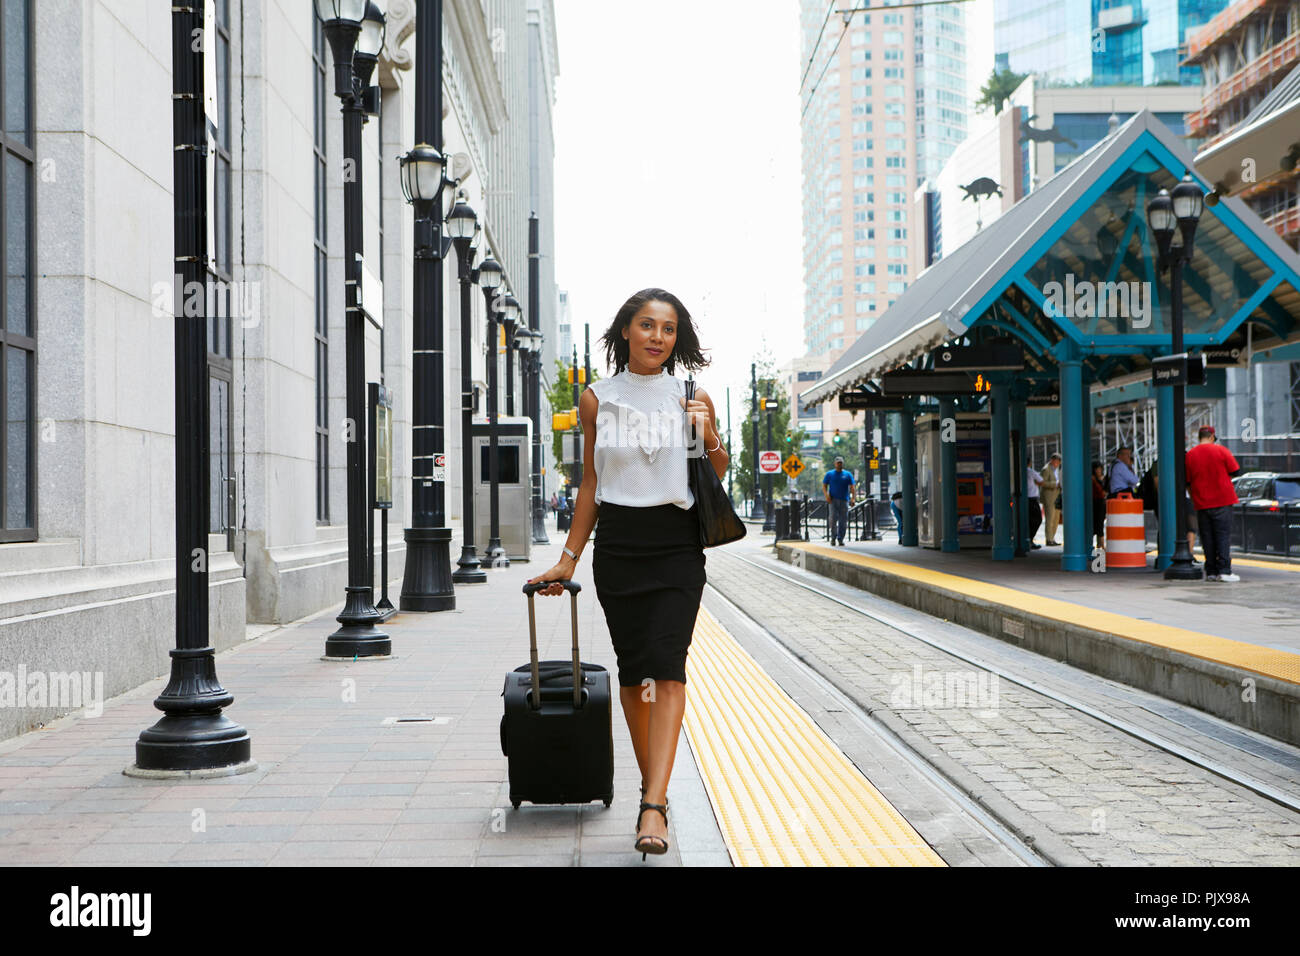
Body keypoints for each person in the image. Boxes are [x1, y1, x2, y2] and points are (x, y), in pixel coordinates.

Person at [526, 288, 726, 860]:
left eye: (667, 329)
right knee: (634, 674)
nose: (657, 337)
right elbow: (591, 482)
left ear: (676, 337)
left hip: (677, 547)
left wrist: (708, 432)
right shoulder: (596, 398)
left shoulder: (692, 393)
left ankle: (653, 805)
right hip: (619, 547)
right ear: (626, 332)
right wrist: (569, 557)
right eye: (647, 326)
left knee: (666, 669)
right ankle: (653, 788)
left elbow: (714, 470)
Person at [1185, 425, 1242, 582]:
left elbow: (1187, 481)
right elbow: (1235, 471)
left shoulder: (1190, 455)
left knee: (1207, 537)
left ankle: (1210, 571)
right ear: (1212, 436)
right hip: (1223, 500)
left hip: (1202, 503)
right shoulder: (1221, 451)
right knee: (1222, 536)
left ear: (1199, 437)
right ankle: (1224, 570)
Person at [823, 456, 856, 546]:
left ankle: (840, 538)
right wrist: (826, 495)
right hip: (833, 500)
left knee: (843, 520)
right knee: (833, 519)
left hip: (844, 500)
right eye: (838, 463)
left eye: (841, 463)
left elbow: (852, 487)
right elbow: (824, 485)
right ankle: (833, 538)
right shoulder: (829, 474)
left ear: (843, 463)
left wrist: (853, 498)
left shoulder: (847, 474)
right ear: (835, 464)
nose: (839, 464)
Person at [1040, 453, 1061, 545]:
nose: (1057, 464)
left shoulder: (1057, 470)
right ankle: (1048, 539)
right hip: (1049, 497)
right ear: (1052, 460)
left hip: (1056, 496)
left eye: (1059, 462)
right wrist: (1055, 484)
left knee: (1056, 518)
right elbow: (1042, 483)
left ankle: (1052, 538)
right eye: (1056, 462)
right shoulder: (1046, 469)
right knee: (1050, 518)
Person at [1025, 462, 1043, 549]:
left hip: (1021, 499)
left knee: (1027, 520)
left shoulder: (1017, 471)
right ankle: (1030, 539)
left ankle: (1026, 539)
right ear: (1029, 463)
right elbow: (1041, 481)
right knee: (1037, 519)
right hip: (1032, 499)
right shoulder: (1030, 471)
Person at [1091, 461, 1107, 549]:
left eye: (1100, 469)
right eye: (1097, 469)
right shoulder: (1093, 479)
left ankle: (1100, 544)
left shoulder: (1101, 479)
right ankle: (1101, 544)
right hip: (1096, 502)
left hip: (1100, 503)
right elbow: (1100, 492)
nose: (1099, 471)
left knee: (1099, 523)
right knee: (1097, 524)